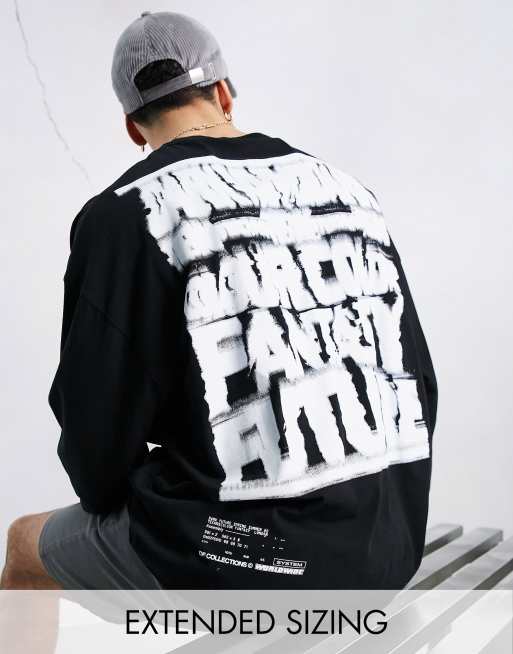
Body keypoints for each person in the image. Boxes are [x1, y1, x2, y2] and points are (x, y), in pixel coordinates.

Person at [1, 10, 437, 592]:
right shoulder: (348, 191)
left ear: (133, 127)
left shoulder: (125, 214)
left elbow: (97, 442)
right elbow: (419, 381)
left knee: (24, 545)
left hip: (257, 560)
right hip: (389, 542)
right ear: (225, 92)